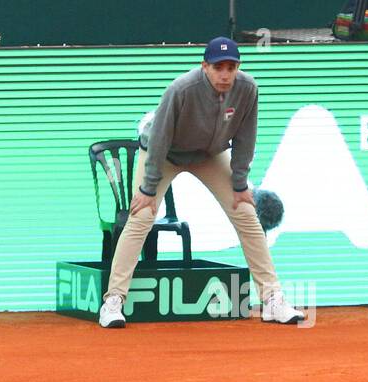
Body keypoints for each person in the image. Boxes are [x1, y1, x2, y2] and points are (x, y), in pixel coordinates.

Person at [99, 37, 306, 329]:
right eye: (218, 67)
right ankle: (113, 301)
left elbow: (246, 138)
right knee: (141, 215)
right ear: (204, 66)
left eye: (231, 67)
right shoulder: (181, 89)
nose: (225, 74)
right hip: (165, 153)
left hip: (210, 155)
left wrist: (240, 183)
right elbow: (158, 140)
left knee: (246, 213)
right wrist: (148, 189)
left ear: (238, 68)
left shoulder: (248, 90)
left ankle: (273, 300)